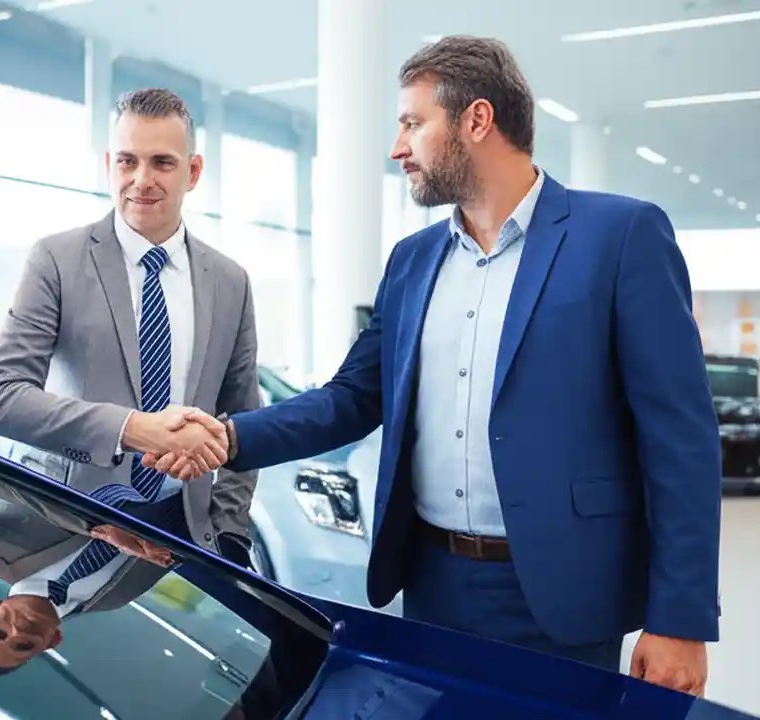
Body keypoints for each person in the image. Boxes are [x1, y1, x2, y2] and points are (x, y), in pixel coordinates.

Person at [150, 36, 721, 696]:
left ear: (477, 120)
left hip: (563, 592)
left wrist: (679, 621)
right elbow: (350, 399)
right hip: (432, 585)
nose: (398, 148)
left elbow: (679, 439)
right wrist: (226, 438)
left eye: (413, 124)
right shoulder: (413, 261)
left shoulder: (619, 238)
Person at [0, 87, 261, 568]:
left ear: (192, 172)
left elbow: (243, 420)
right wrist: (133, 430)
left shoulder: (230, 281)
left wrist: (229, 530)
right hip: (67, 522)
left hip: (181, 532)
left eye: (162, 163)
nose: (141, 180)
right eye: (127, 161)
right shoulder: (56, 260)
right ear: (110, 163)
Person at [0, 451, 192, 675]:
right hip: (205, 460)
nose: (16, 631)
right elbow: (190, 535)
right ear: (52, 642)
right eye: (23, 645)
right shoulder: (116, 598)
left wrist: (92, 519)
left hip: (117, 416)